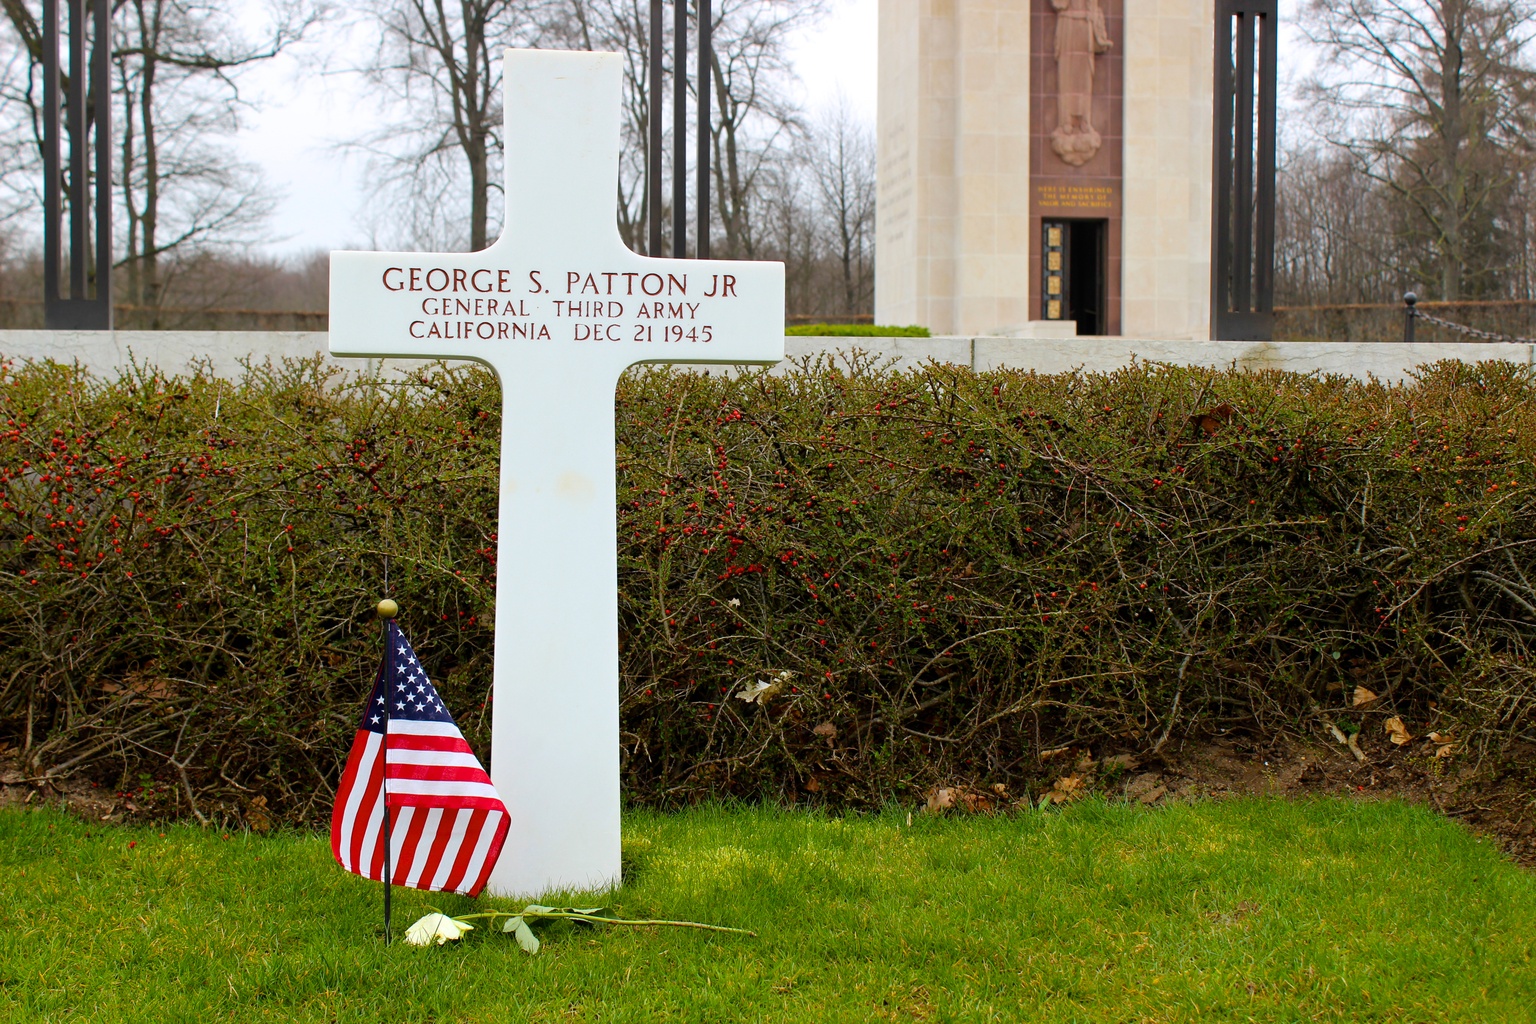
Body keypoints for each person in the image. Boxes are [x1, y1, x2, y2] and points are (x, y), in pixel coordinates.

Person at [1050, 0, 1113, 166]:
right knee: (1066, 76)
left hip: (1085, 27)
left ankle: (1084, 121)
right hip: (1067, 26)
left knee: (1085, 77)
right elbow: (1058, 3)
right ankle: (1066, 122)